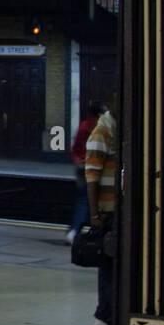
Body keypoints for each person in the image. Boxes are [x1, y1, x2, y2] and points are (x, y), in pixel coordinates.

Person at [85, 99, 118, 325]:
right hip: (108, 210)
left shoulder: (117, 130)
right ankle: (104, 313)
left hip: (118, 206)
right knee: (108, 263)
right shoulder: (102, 131)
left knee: (114, 262)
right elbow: (91, 174)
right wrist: (94, 212)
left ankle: (110, 311)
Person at [67, 100, 105, 243]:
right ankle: (97, 231)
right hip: (96, 169)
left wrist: (77, 161)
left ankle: (74, 231)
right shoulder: (103, 128)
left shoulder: (84, 126)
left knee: (82, 200)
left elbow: (75, 148)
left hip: (82, 168)